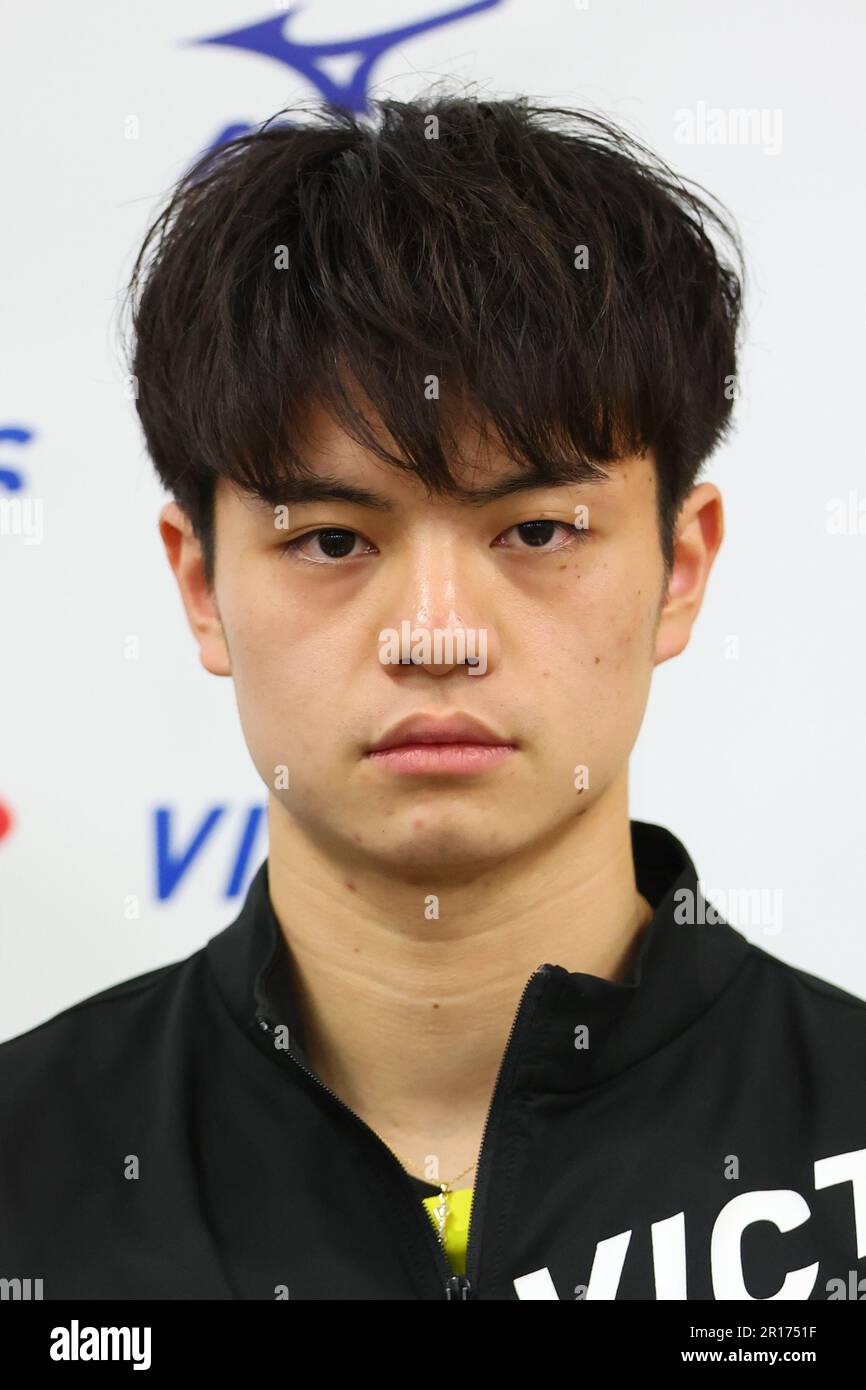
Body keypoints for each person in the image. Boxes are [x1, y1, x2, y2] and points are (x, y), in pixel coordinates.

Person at [2, 90, 864, 1302]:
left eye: (536, 529)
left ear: (679, 569)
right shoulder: (29, 1176)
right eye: (333, 542)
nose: (435, 635)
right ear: (200, 587)